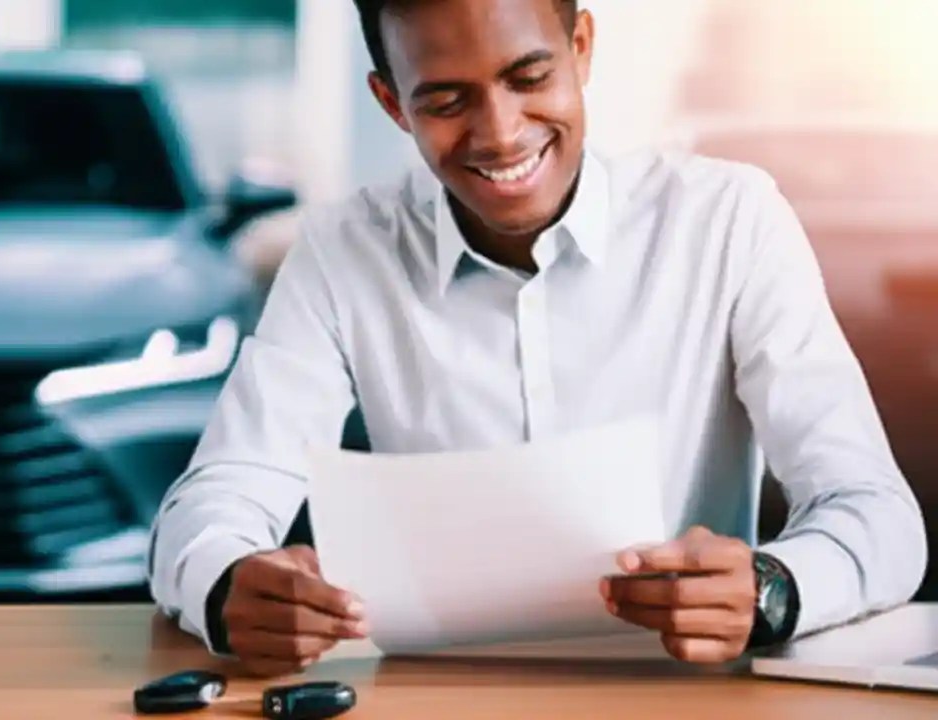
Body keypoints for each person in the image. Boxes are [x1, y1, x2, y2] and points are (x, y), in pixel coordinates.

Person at [147, 0, 928, 677]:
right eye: (448, 100)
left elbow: (878, 515)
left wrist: (772, 589)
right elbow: (216, 498)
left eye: (528, 79)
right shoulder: (342, 252)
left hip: (686, 697)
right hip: (439, 703)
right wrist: (225, 586)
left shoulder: (729, 222)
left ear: (581, 50)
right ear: (392, 104)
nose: (500, 133)